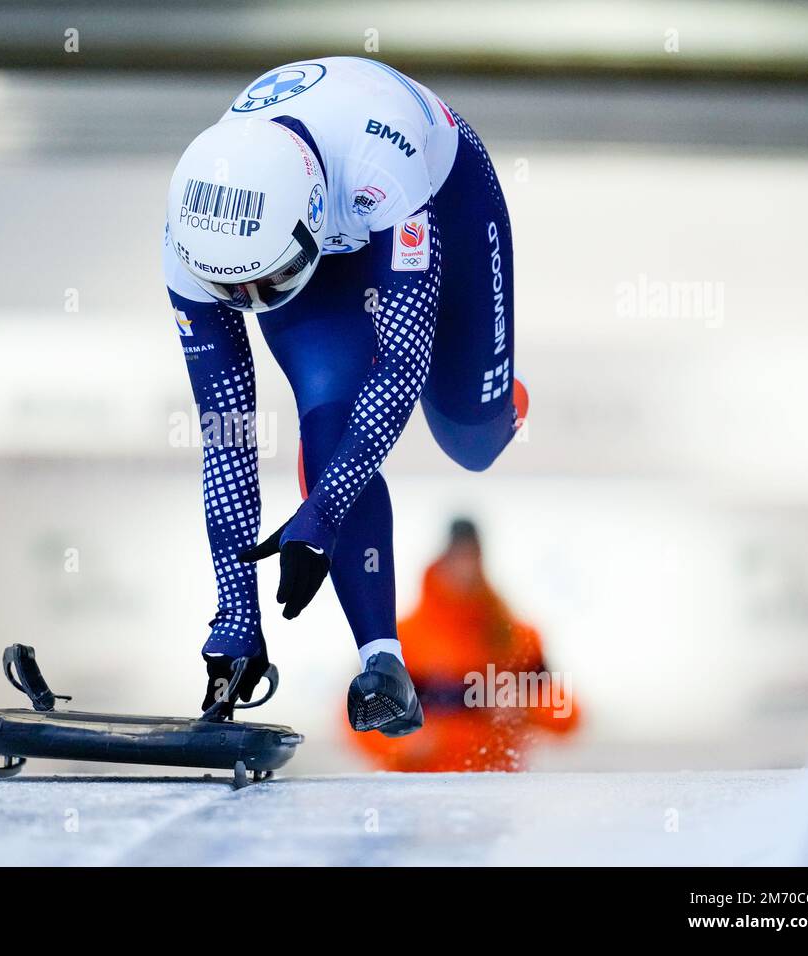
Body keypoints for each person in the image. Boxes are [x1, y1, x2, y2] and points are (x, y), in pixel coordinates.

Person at [165, 58, 527, 736]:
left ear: (305, 222)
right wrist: (236, 616)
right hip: (324, 251)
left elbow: (402, 361)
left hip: (432, 191)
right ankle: (383, 666)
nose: (249, 307)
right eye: (234, 297)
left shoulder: (378, 155)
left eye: (265, 287)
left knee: (469, 437)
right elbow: (227, 437)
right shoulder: (191, 245)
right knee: (328, 423)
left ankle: (500, 400)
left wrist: (322, 515)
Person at [352, 519, 580, 770]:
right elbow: (358, 716)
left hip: (497, 791)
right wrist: (403, 745)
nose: (465, 568)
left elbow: (567, 713)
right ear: (442, 560)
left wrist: (526, 708)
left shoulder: (516, 637)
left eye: (472, 556)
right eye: (458, 556)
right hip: (422, 793)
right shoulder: (401, 639)